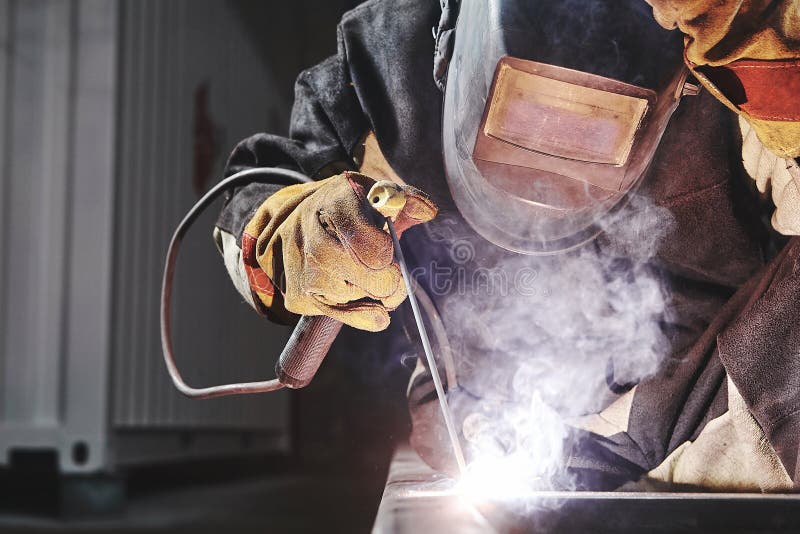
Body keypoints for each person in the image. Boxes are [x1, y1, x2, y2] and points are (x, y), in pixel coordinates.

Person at [213, 0, 800, 490]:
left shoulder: (715, 41)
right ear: (456, 58)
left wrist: (765, 49)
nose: (546, 181)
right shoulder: (387, 64)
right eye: (525, 124)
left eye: (590, 133)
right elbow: (257, 188)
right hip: (479, 400)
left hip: (699, 387)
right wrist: (293, 235)